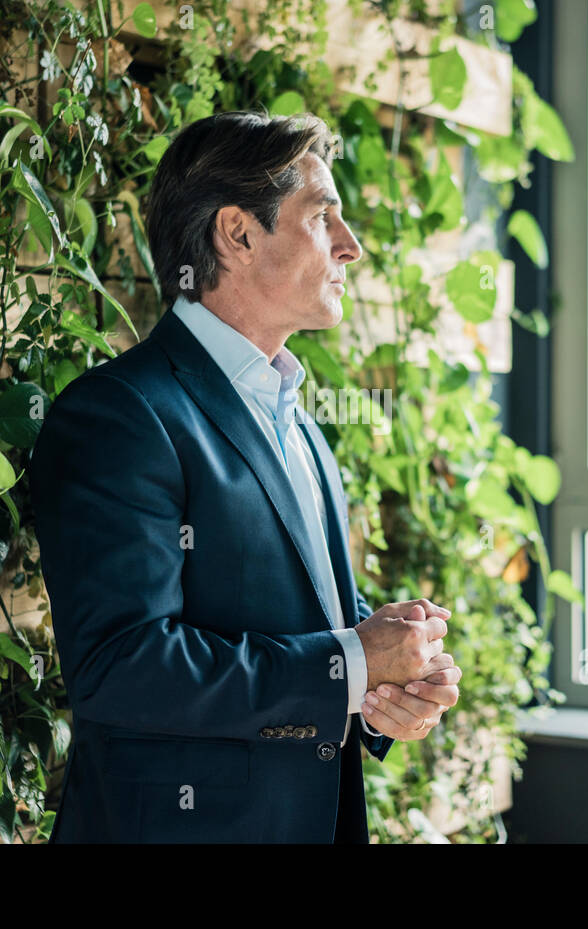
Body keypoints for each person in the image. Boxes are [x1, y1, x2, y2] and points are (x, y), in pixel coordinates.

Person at [29, 110, 462, 843]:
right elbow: (121, 666)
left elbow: (320, 637)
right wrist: (351, 662)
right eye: (324, 218)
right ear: (236, 234)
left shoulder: (299, 420)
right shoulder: (118, 415)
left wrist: (390, 683)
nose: (350, 247)